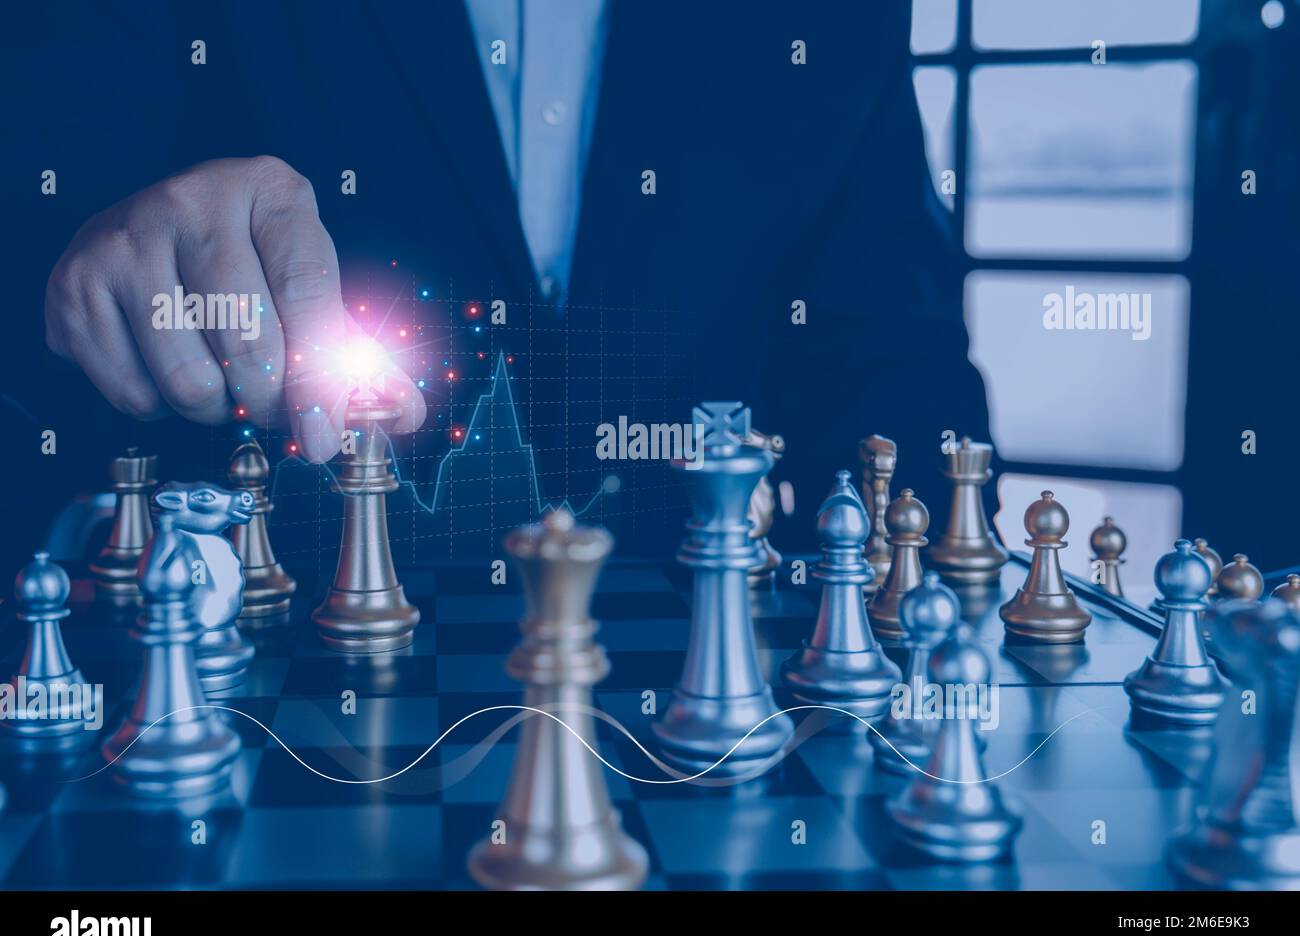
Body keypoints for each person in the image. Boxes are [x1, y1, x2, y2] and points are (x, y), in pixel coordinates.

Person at [5, 1, 990, 563]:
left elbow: (889, 356)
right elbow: (36, 220)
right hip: (276, 690)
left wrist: (921, 597)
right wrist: (83, 259)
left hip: (695, 701)